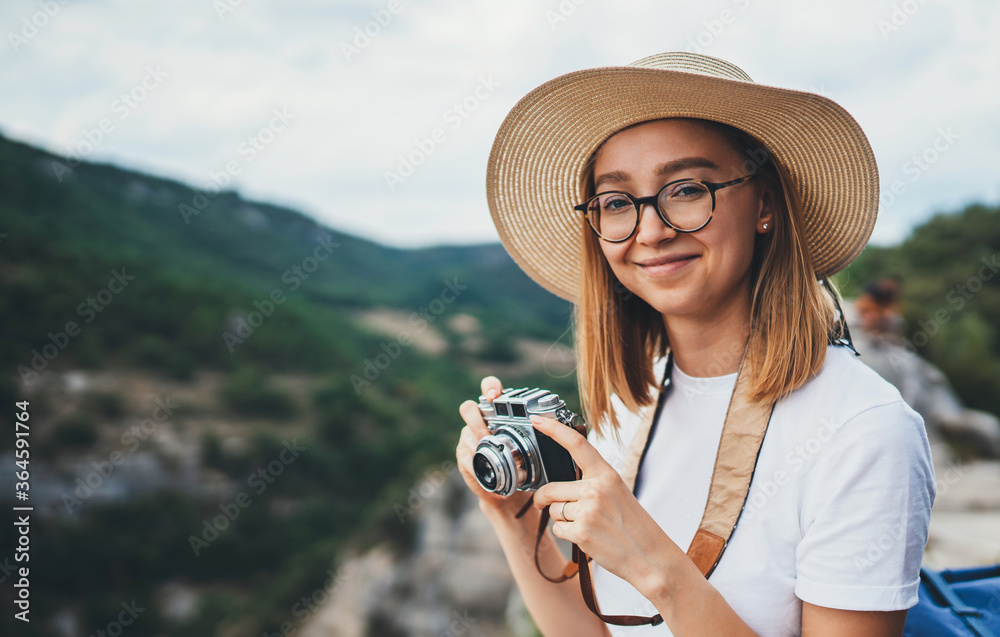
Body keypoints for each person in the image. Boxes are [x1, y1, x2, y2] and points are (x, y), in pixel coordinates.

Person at [455, 52, 936, 636]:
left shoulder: (864, 429)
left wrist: (654, 565)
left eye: (685, 189)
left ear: (763, 204)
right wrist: (512, 517)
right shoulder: (629, 408)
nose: (651, 230)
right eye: (615, 202)